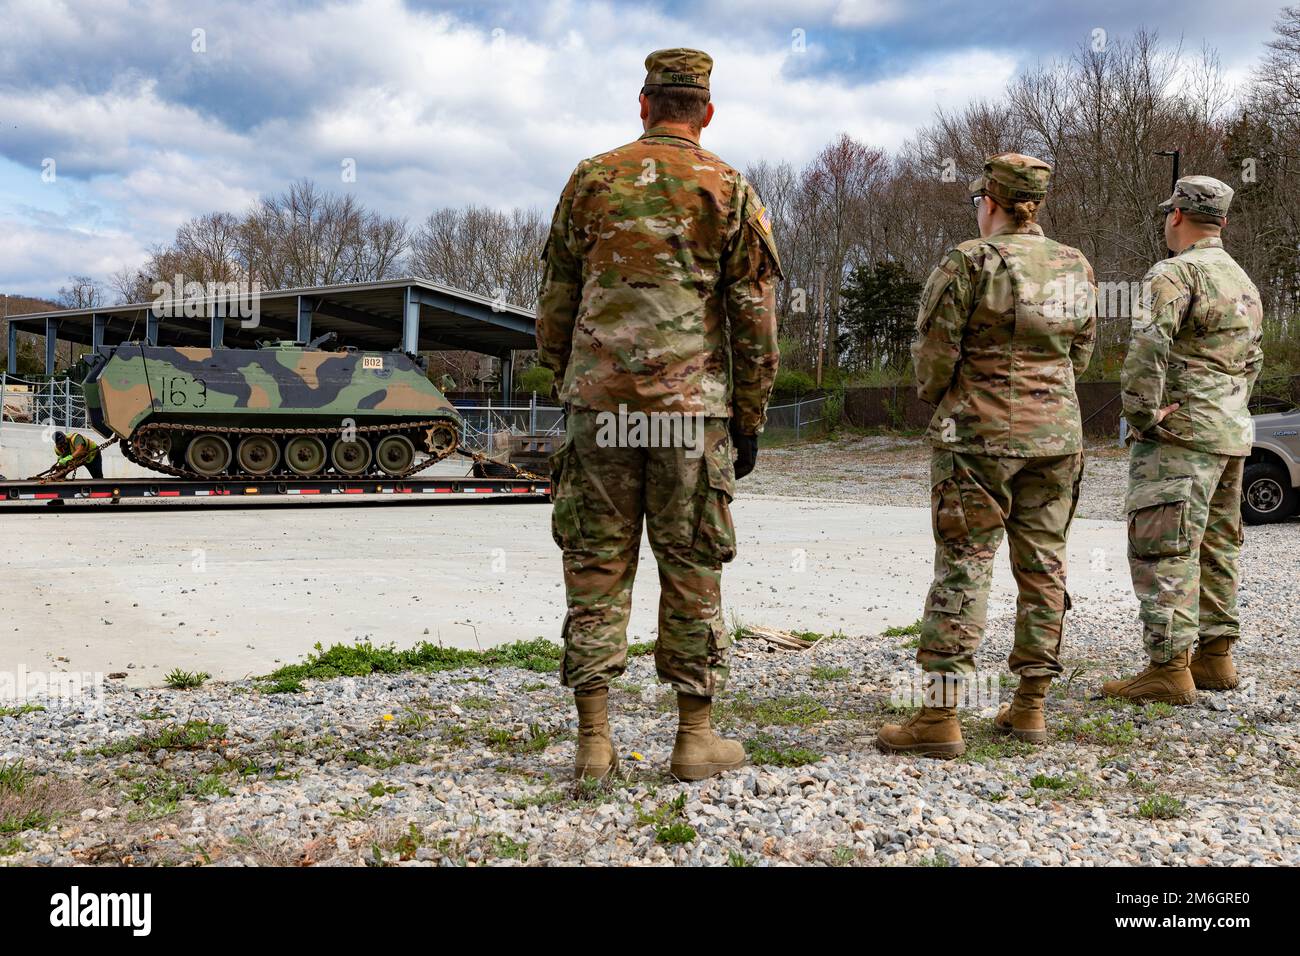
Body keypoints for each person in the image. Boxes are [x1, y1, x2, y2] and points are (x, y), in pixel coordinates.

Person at [536, 48, 782, 781]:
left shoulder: (590, 180)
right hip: (687, 416)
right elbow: (754, 316)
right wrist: (749, 415)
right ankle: (694, 739)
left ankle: (593, 742)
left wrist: (571, 381)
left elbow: (555, 298)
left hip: (602, 412)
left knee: (595, 565)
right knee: (692, 566)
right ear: (705, 112)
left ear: (642, 105)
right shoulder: (729, 187)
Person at [876, 153, 1097, 758]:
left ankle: (942, 716)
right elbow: (1081, 354)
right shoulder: (1075, 265)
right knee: (1044, 565)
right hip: (1056, 438)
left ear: (990, 202)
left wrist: (946, 397)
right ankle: (1029, 708)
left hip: (977, 437)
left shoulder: (969, 261)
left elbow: (933, 355)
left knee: (965, 564)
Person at [1102, 176, 1264, 704]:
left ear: (1176, 216)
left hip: (1182, 434)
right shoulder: (1243, 281)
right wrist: (1229, 406)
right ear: (1223, 221)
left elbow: (1147, 347)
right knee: (1217, 545)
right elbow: (1254, 360)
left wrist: (1143, 415)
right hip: (1230, 430)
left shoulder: (1173, 273)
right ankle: (1215, 657)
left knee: (1164, 544)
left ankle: (1169, 668)